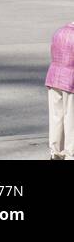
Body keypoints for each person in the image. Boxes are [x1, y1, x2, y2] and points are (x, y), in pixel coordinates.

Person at [47, 20, 74, 160]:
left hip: (53, 78)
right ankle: (70, 154)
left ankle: (55, 152)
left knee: (56, 117)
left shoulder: (59, 32)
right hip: (70, 81)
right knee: (71, 120)